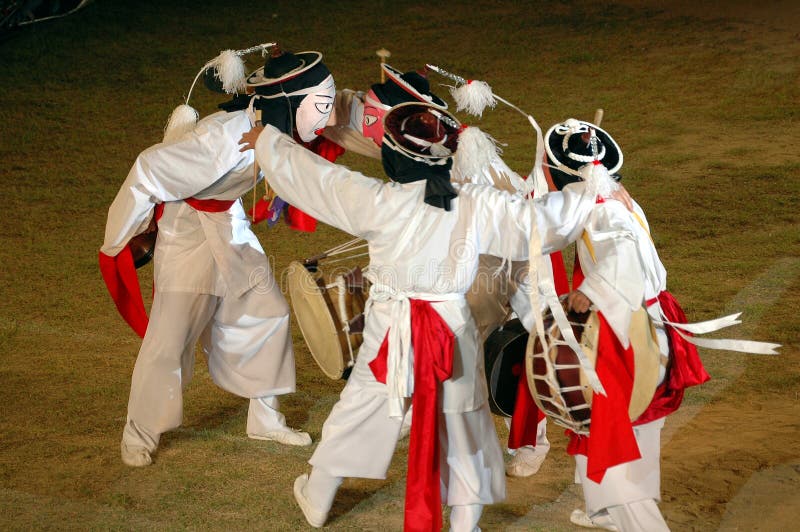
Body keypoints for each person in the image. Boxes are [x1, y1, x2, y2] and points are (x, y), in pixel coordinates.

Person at [241, 102, 632, 530]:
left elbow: (320, 181)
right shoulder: (476, 203)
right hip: (452, 328)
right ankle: (465, 523)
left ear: (393, 156)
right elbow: (538, 222)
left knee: (360, 411)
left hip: (392, 325)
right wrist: (588, 183)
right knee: (465, 422)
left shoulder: (378, 200)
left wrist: (269, 143)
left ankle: (317, 498)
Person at [98, 46, 337, 467]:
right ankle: (139, 431)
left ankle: (265, 417)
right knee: (171, 335)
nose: (327, 117)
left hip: (228, 225)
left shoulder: (268, 127)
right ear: (291, 104)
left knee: (268, 312)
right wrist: (125, 237)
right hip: (187, 232)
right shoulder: (223, 137)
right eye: (321, 105)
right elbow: (149, 169)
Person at [538, 118, 775, 531]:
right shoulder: (619, 200)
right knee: (630, 432)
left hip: (631, 335)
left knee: (615, 445)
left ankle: (636, 521)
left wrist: (591, 288)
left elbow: (622, 252)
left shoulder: (602, 211)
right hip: (651, 325)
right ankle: (609, 513)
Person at [322, 64, 556, 477]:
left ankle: (530, 439)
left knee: (516, 336)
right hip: (462, 248)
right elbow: (349, 119)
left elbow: (502, 225)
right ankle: (422, 405)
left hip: (508, 247)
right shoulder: (412, 127)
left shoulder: (453, 154)